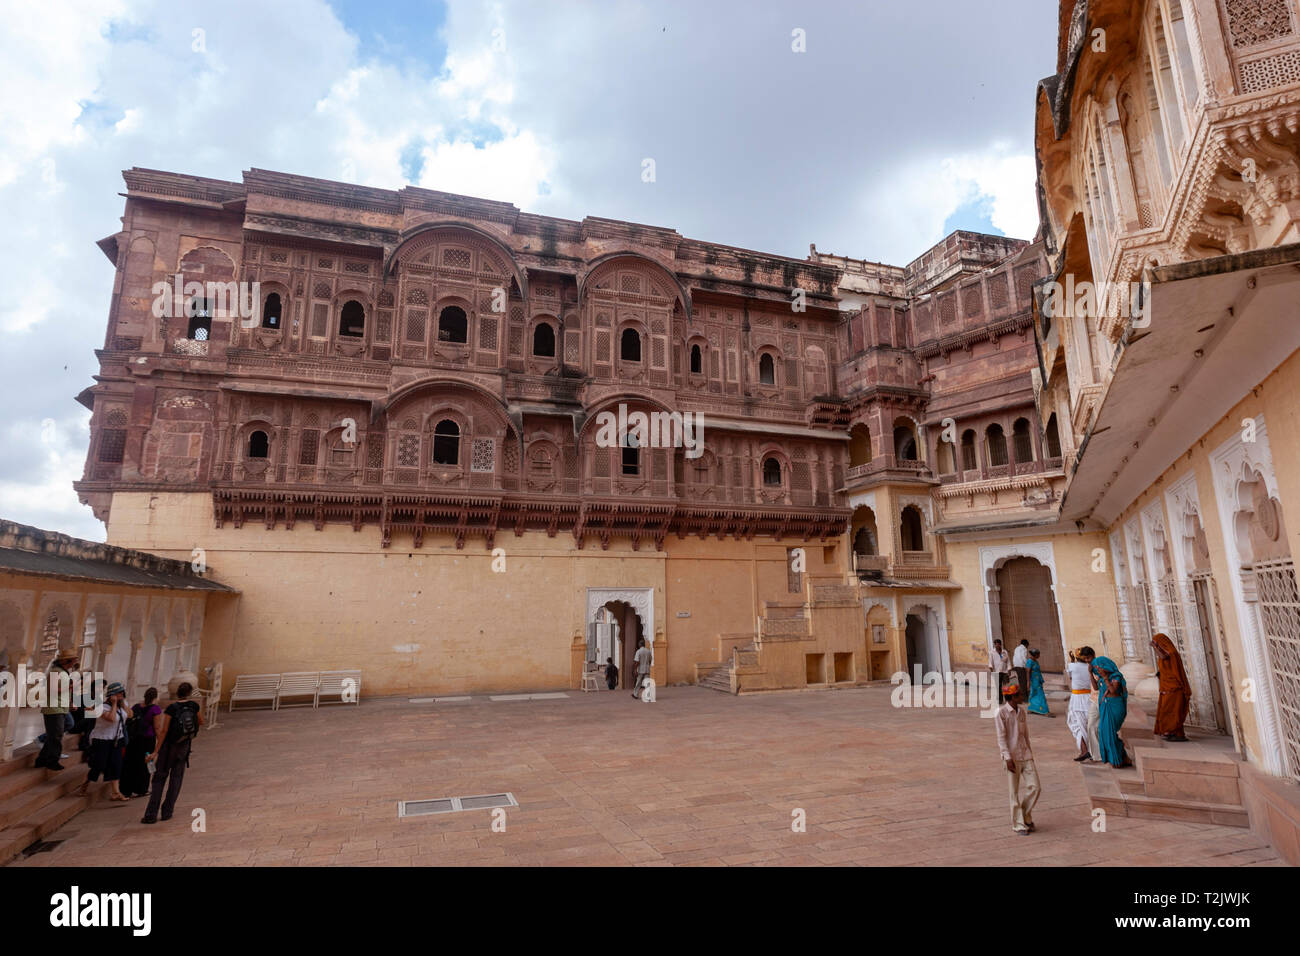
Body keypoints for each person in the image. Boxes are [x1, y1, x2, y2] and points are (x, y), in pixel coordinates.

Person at [142, 682, 204, 824]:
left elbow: (164, 730)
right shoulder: (194, 706)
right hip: (184, 747)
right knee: (176, 779)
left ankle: (151, 814)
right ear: (189, 692)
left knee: (159, 780)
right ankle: (167, 812)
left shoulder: (172, 708)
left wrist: (155, 751)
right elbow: (201, 721)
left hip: (169, 747)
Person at [993, 671, 1039, 835]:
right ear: (1012, 697)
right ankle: (1018, 824)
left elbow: (1025, 734)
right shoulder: (1001, 713)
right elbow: (1001, 737)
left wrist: (1030, 753)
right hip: (1011, 757)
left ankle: (1025, 815)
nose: (1021, 697)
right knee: (1014, 792)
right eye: (1019, 695)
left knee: (1035, 787)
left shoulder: (1021, 712)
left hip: (1025, 755)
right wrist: (1007, 758)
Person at [75, 681, 129, 801]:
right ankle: (85, 784)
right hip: (101, 740)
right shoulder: (102, 707)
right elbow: (111, 718)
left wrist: (122, 704)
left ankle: (116, 792)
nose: (121, 696)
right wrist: (114, 704)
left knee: (116, 765)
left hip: (116, 740)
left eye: (122, 693)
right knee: (98, 765)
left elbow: (129, 715)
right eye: (119, 694)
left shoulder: (122, 706)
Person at [34, 655, 78, 771]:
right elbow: (51, 690)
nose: (75, 662)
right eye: (73, 660)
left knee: (65, 727)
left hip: (62, 707)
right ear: (66, 660)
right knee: (56, 736)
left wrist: (69, 703)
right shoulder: (55, 672)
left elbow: (65, 691)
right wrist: (68, 687)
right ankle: (52, 761)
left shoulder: (64, 672)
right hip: (54, 708)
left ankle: (42, 759)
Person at [120, 687, 162, 798]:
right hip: (147, 740)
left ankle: (126, 789)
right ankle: (142, 788)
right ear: (155, 697)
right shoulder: (155, 709)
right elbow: (157, 727)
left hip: (134, 739)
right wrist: (161, 741)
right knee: (147, 763)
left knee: (130, 763)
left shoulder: (136, 707)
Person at [1090, 654, 1131, 768]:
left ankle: (1119, 759)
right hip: (1105, 707)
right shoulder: (1102, 678)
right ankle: (1119, 757)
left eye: (1098, 667)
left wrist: (1105, 677)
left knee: (1110, 733)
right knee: (1104, 732)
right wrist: (1090, 674)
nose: (1097, 670)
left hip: (1115, 707)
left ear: (1105, 666)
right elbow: (1096, 688)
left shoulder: (1116, 676)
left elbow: (1112, 690)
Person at [1151, 633, 1191, 742]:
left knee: (1173, 711)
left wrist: (1155, 647)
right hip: (1166, 686)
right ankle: (1172, 732)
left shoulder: (1171, 652)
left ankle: (1171, 731)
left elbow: (1165, 656)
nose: (1156, 645)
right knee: (1167, 710)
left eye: (1157, 642)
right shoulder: (1164, 653)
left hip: (1174, 687)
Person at [1065, 648, 1094, 760]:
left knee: (1076, 724)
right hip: (1090, 697)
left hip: (1077, 699)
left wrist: (1072, 661)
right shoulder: (1090, 667)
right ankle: (1091, 750)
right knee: (1089, 725)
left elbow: (1070, 675)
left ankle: (1084, 750)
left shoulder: (1072, 666)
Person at [1026, 648, 1052, 717]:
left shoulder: (1036, 661)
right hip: (1034, 681)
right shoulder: (1029, 661)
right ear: (1035, 655)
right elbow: (1028, 672)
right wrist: (1028, 682)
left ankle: (1032, 708)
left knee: (1034, 694)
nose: (1039, 656)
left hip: (1038, 680)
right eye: (1038, 654)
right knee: (1040, 695)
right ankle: (1045, 711)